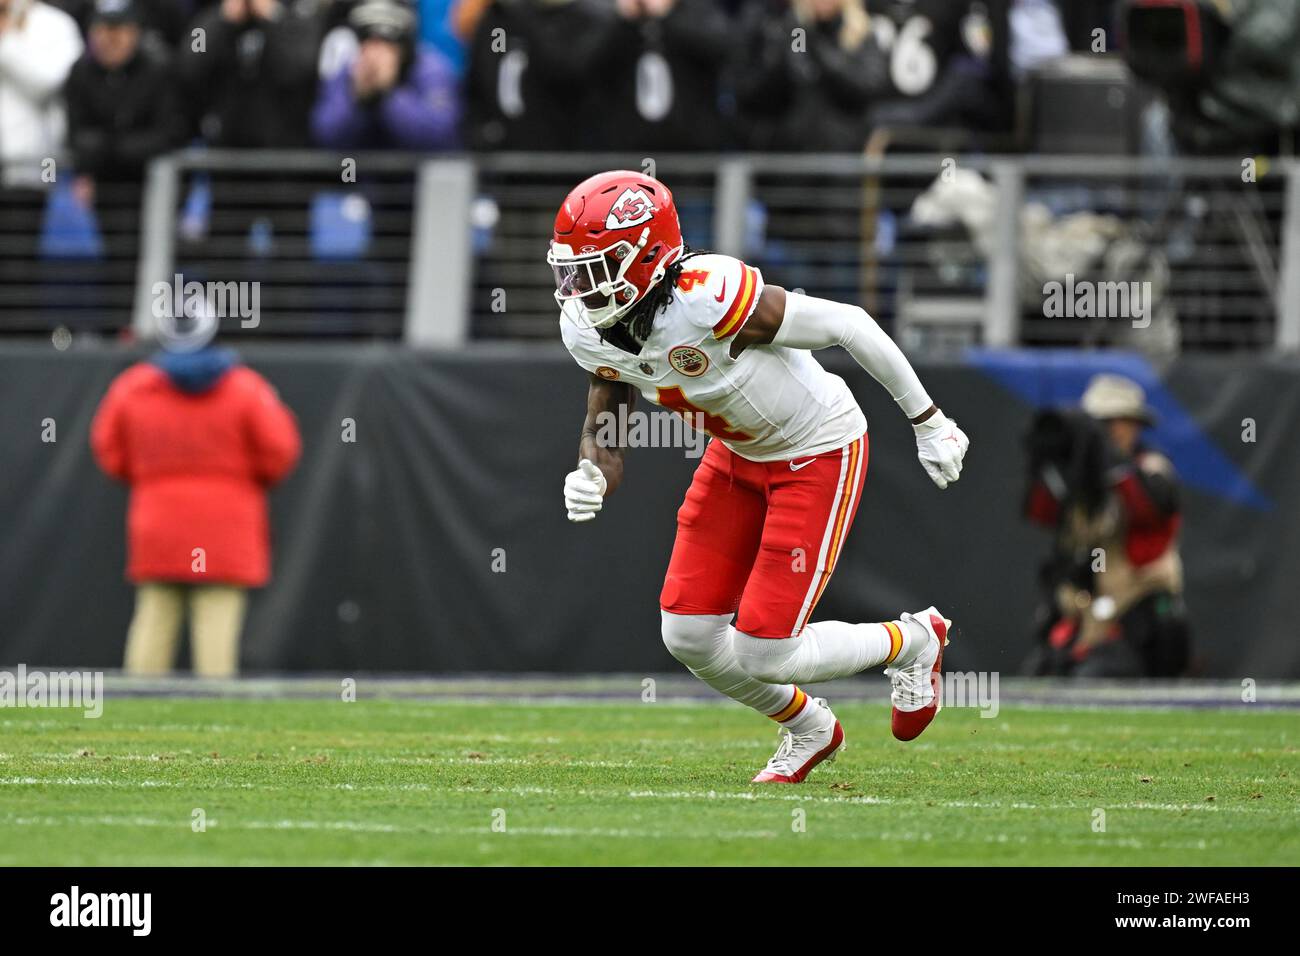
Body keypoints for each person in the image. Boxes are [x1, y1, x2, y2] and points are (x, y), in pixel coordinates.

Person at [553, 171, 970, 784]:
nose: (579, 288)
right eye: (572, 270)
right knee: (688, 634)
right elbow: (608, 415)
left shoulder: (708, 296)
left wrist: (928, 420)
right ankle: (808, 727)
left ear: (643, 257)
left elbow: (847, 324)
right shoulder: (589, 327)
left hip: (818, 448)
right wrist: (592, 467)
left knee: (764, 650)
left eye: (595, 268)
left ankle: (914, 641)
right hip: (737, 455)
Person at [90, 315, 302, 677]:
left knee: (155, 618)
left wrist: (151, 480)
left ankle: (132, 713)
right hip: (225, 526)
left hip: (159, 522)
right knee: (216, 624)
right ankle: (215, 717)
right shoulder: (247, 388)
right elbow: (280, 451)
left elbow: (108, 450)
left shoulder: (133, 387)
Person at [1022, 373, 1191, 677]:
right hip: (1086, 616)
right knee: (1041, 675)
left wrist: (1109, 459)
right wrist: (1045, 465)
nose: (1107, 432)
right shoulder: (1081, 483)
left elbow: (1149, 511)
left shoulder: (1152, 469)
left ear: (1134, 426)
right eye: (1099, 425)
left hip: (1138, 616)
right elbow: (1041, 515)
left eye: (1115, 422)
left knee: (1097, 677)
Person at [312, 0, 460, 151]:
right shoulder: (349, 70)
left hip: (416, 171)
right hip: (359, 171)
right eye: (369, 41)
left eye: (387, 43)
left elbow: (441, 137)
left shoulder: (431, 69)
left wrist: (389, 95)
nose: (376, 53)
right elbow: (326, 135)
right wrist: (360, 98)